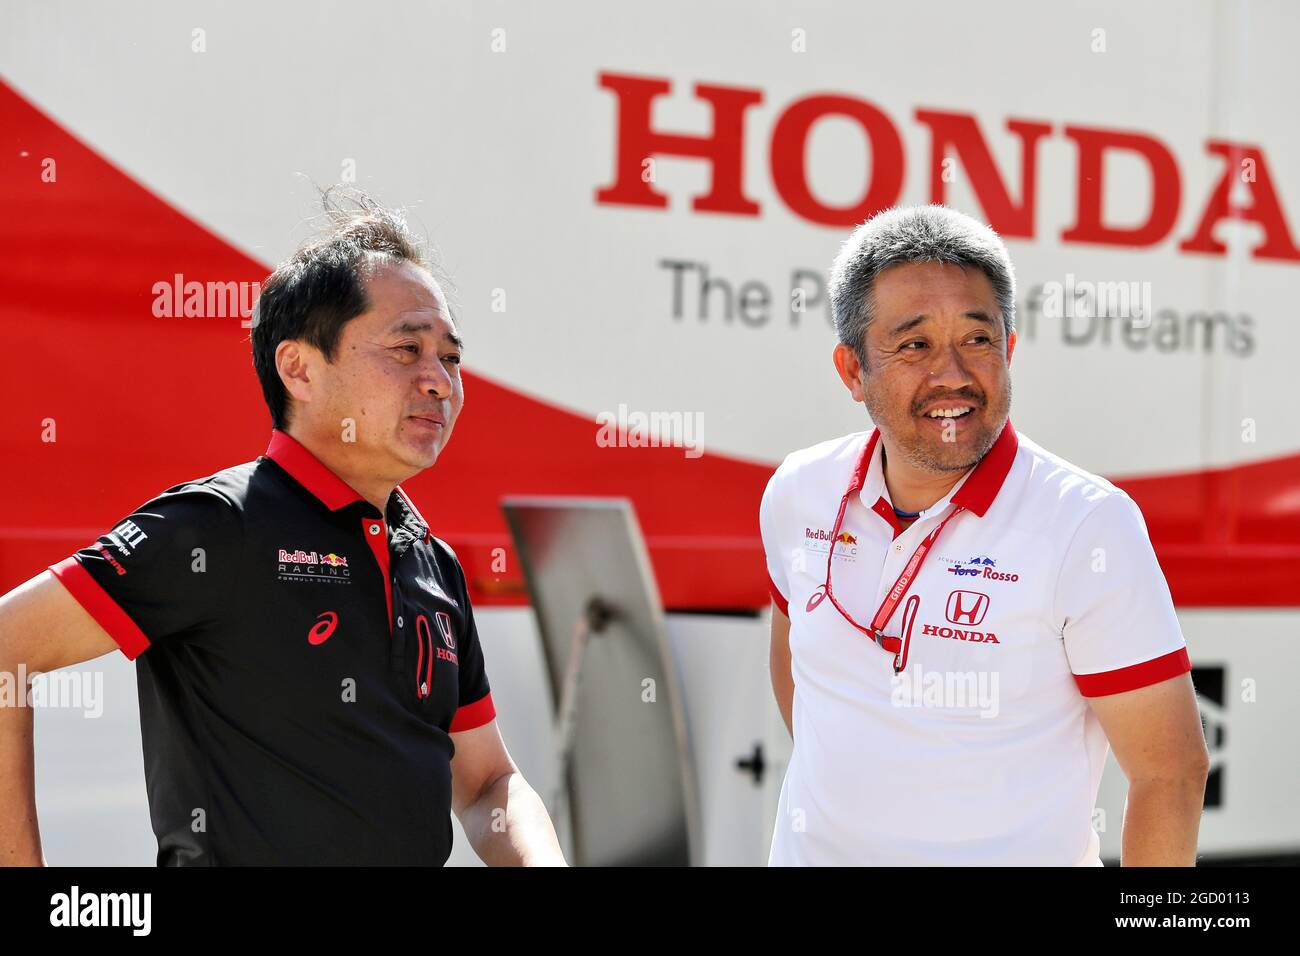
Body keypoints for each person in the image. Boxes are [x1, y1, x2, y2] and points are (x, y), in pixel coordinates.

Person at [0, 190, 565, 866]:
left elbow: (485, 782)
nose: (439, 381)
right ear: (298, 367)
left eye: (449, 357)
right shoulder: (219, 524)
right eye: (406, 348)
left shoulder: (431, 562)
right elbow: (7, 646)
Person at [761, 204, 1209, 866]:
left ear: (1009, 350)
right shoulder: (799, 489)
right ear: (853, 370)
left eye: (977, 340)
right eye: (913, 344)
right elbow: (797, 663)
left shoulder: (1087, 524)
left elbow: (1169, 772)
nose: (952, 374)